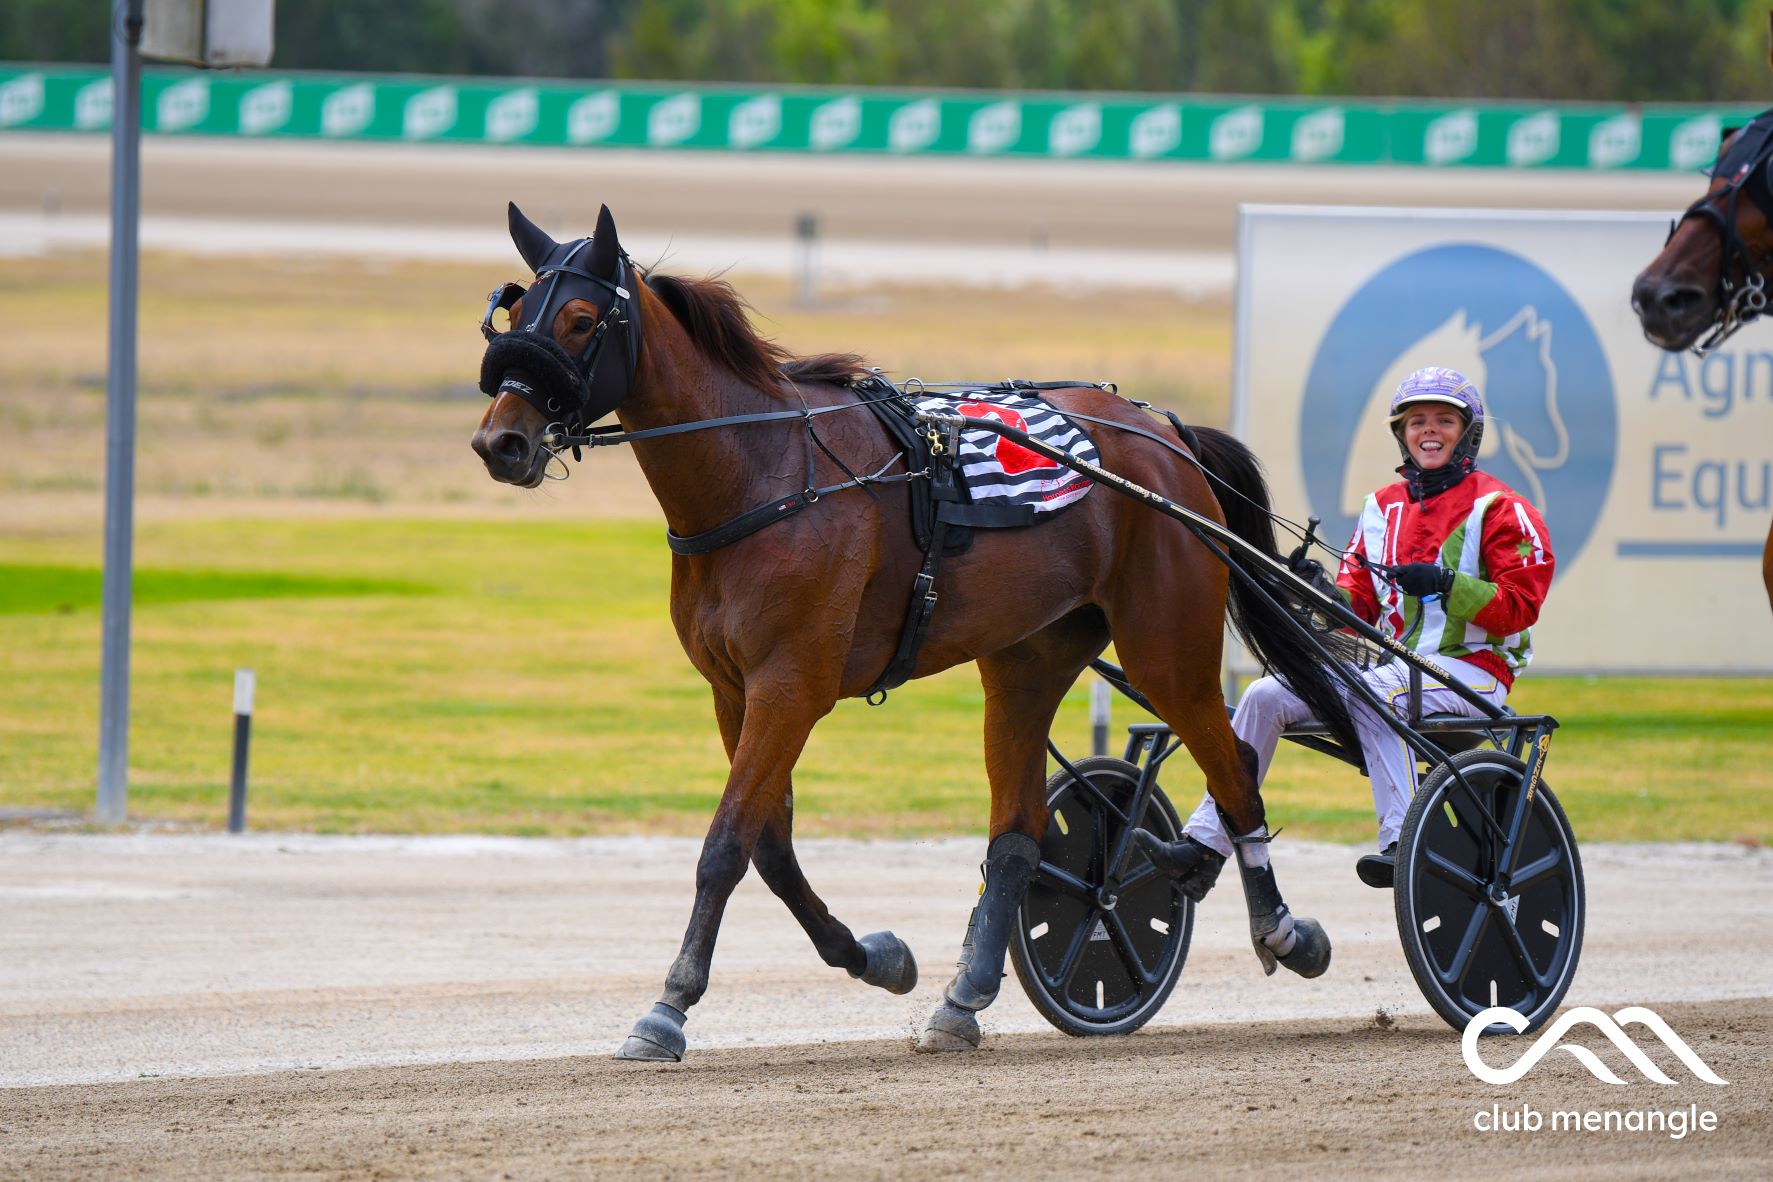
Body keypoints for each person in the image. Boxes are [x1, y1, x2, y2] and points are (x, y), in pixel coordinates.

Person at [1135, 366, 1555, 892]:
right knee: (1264, 696)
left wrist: (1449, 584)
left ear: (1467, 433)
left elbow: (1521, 606)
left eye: (1443, 421)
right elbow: (1355, 610)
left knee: (1372, 689)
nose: (1429, 430)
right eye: (1417, 421)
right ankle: (1204, 847)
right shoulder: (1380, 508)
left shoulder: (1501, 508)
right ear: (1401, 433)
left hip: (1474, 675)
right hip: (1394, 676)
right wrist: (1317, 591)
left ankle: (1403, 840)